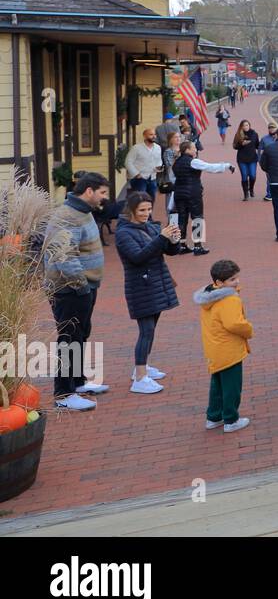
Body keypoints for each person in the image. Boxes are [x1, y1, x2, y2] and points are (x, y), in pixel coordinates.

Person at [43, 172, 111, 410]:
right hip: (68, 289)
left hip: (85, 287)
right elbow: (63, 255)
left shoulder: (83, 211)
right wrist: (81, 285)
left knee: (81, 335)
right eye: (102, 192)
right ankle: (64, 393)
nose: (105, 197)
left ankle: (78, 383)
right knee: (69, 338)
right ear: (89, 191)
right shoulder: (66, 216)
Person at [115, 192, 183, 395]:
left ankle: (141, 367)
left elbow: (170, 252)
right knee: (146, 331)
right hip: (140, 286)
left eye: (149, 209)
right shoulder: (123, 233)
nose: (146, 213)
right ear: (132, 210)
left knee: (151, 329)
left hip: (156, 283)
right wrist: (161, 237)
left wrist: (172, 240)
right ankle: (140, 377)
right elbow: (138, 257)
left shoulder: (152, 226)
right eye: (142, 210)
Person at [195, 259, 253, 433]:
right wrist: (249, 330)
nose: (237, 282)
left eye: (236, 278)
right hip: (229, 350)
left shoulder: (208, 296)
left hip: (214, 349)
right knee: (232, 386)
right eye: (232, 280)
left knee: (218, 385)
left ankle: (213, 416)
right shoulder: (230, 299)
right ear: (220, 282)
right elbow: (234, 324)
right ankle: (230, 419)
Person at [172, 140, 236, 256]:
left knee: (182, 219)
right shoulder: (193, 162)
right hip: (193, 193)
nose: (195, 150)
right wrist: (226, 165)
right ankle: (197, 246)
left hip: (179, 193)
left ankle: (181, 245)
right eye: (193, 148)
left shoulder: (177, 162)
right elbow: (210, 167)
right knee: (197, 218)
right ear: (187, 150)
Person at [124, 129, 162, 201]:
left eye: (154, 134)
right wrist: (136, 174)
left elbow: (159, 160)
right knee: (140, 200)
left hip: (152, 178)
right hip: (139, 179)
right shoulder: (136, 148)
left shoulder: (158, 147)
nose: (154, 136)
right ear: (144, 136)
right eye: (151, 134)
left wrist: (159, 167)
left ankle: (149, 212)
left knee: (152, 199)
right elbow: (128, 161)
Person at [232, 120, 261, 201]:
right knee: (244, 176)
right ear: (241, 126)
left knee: (252, 175)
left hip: (252, 158)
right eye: (244, 125)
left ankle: (251, 189)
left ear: (249, 125)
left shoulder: (254, 134)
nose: (245, 127)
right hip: (242, 159)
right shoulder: (238, 135)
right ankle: (246, 194)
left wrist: (263, 144)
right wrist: (241, 144)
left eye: (247, 125)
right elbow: (234, 146)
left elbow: (257, 145)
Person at [258, 121, 278, 201]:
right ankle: (269, 194)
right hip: (269, 163)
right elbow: (259, 151)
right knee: (270, 179)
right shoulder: (264, 139)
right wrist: (260, 162)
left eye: (273, 128)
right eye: (270, 128)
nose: (271, 129)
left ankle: (277, 194)